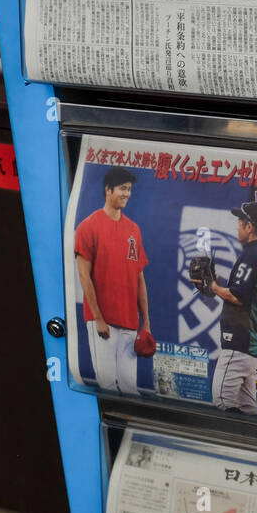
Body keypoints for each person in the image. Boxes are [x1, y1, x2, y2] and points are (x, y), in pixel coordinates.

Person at [75, 167, 152, 395]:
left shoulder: (134, 229)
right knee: (107, 383)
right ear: (107, 190)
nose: (127, 194)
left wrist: (145, 322)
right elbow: (83, 276)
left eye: (129, 189)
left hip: (129, 321)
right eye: (122, 188)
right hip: (103, 323)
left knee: (130, 387)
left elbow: (139, 277)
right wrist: (98, 319)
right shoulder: (88, 226)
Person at [208, 201, 257, 413]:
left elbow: (238, 295)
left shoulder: (252, 255)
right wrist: (217, 287)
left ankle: (235, 445)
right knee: (247, 407)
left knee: (223, 401)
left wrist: (213, 286)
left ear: (249, 227)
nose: (237, 227)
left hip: (240, 343)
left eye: (240, 223)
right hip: (250, 343)